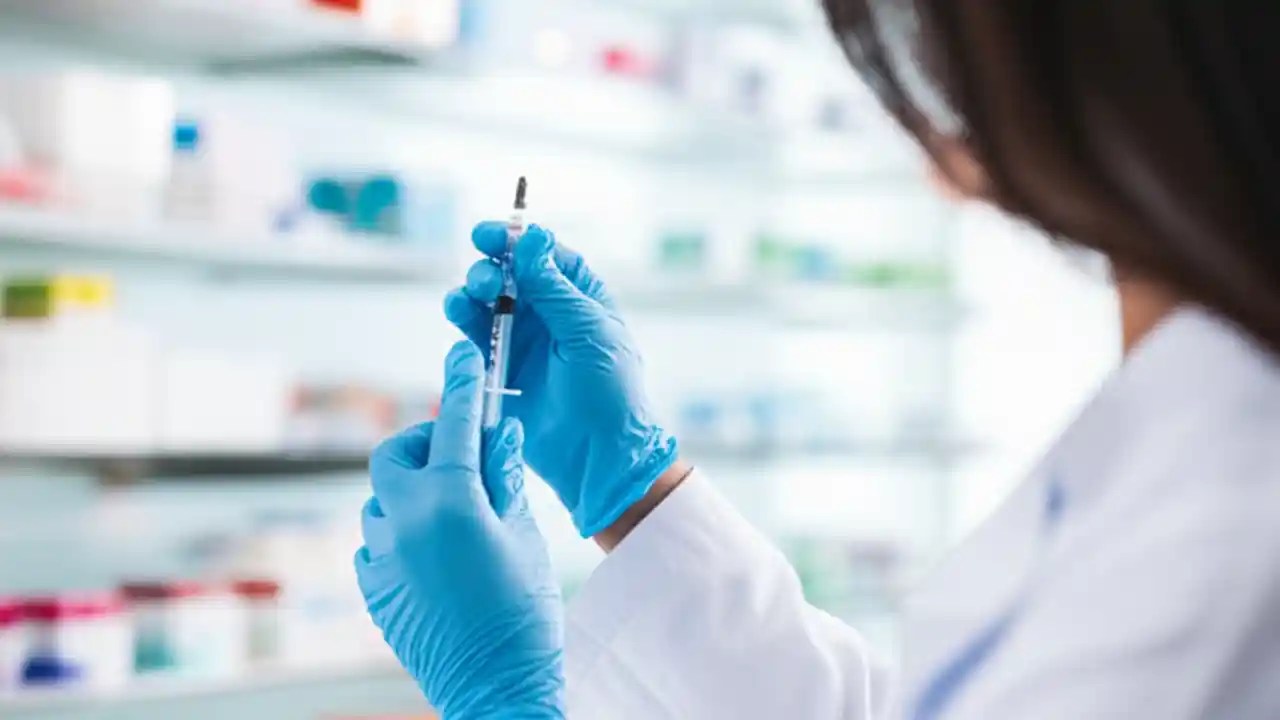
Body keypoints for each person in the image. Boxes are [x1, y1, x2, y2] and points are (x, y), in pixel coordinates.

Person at [353, 1, 1280, 718]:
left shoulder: (1229, 545)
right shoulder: (1194, 425)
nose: (940, 136)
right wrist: (634, 495)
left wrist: (507, 701)